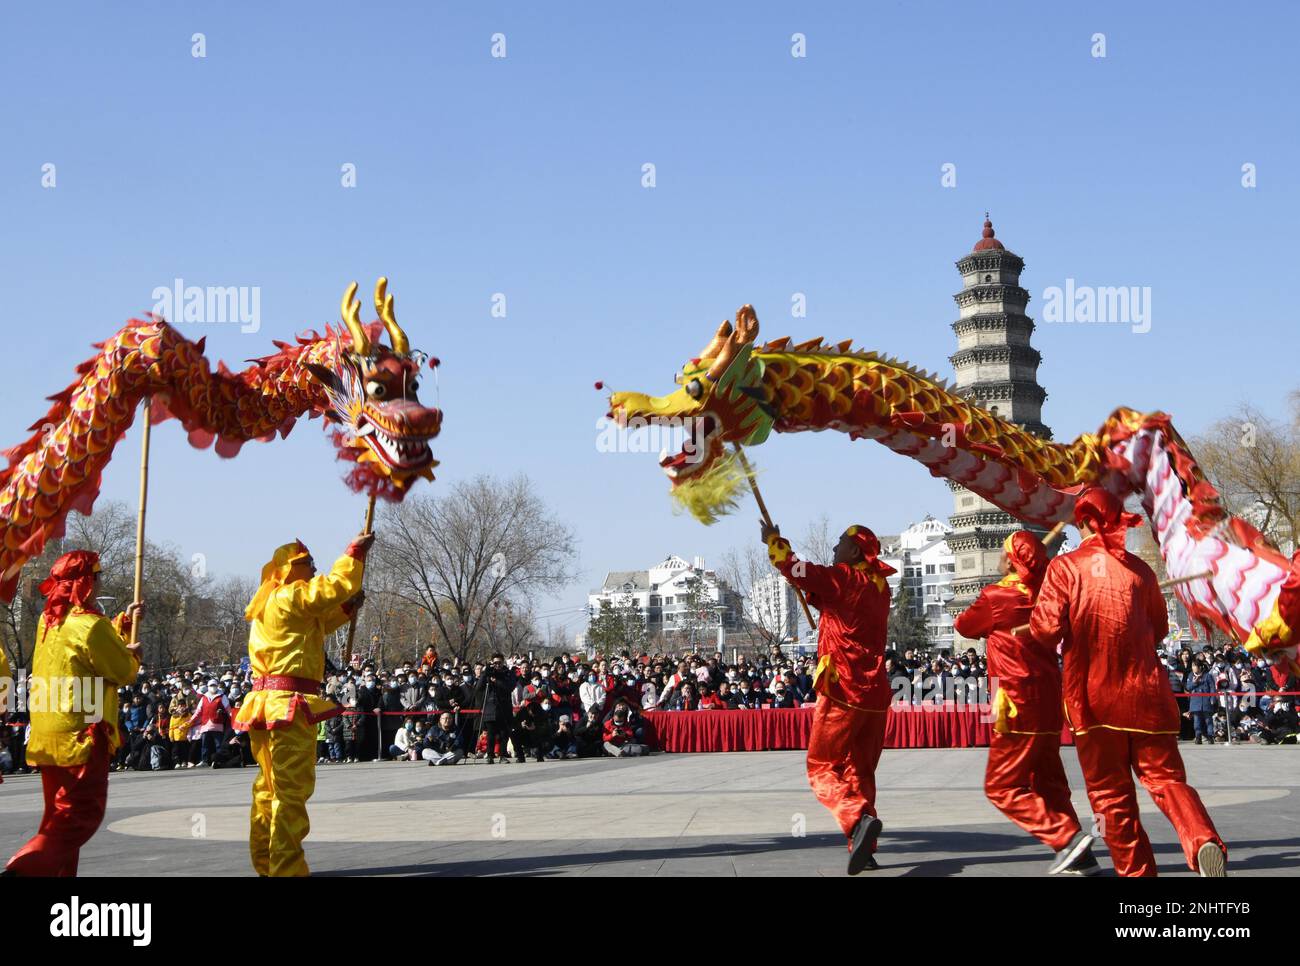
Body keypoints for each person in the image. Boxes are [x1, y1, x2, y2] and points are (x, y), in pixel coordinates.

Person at [1029, 487, 1227, 877]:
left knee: (1111, 798)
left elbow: (1045, 630)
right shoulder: (1141, 571)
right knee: (1167, 779)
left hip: (1094, 701)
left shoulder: (1065, 568)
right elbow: (1157, 629)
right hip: (1148, 696)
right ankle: (1202, 837)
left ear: (1081, 521)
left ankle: (1138, 875)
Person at [954, 531, 1092, 875]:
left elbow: (964, 626)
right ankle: (1081, 856)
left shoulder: (997, 595)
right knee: (1049, 780)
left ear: (1011, 559)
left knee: (1001, 786)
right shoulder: (1052, 594)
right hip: (1047, 697)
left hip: (1014, 700)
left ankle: (1066, 838)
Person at [233, 533, 370, 877]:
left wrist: (346, 609)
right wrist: (353, 556)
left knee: (268, 791)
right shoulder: (291, 594)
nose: (314, 569)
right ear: (292, 568)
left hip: (266, 705)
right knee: (290, 794)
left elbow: (313, 626)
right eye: (309, 564)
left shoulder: (271, 602)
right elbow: (333, 586)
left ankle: (268, 864)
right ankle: (286, 870)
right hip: (287, 707)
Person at [762, 519, 892, 875]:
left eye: (839, 544)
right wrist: (815, 595)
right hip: (875, 694)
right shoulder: (880, 587)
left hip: (843, 689)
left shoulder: (844, 577)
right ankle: (864, 844)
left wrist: (775, 542)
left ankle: (854, 819)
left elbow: (796, 568)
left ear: (854, 551)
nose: (834, 550)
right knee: (860, 771)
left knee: (822, 767)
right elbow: (839, 610)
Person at [5, 550, 142, 876]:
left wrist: (122, 624)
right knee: (78, 818)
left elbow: (85, 649)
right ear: (87, 582)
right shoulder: (90, 626)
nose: (99, 583)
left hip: (48, 735)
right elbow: (121, 670)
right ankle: (22, 870)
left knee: (58, 818)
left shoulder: (47, 622)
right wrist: (132, 655)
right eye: (97, 578)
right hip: (81, 735)